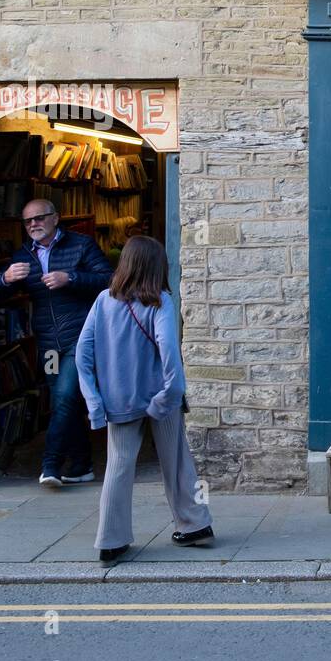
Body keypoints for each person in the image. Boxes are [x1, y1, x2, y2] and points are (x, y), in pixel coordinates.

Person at [76, 235, 214, 566]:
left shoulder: (102, 301)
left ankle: (111, 540)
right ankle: (194, 525)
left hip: (119, 401)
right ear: (157, 266)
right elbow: (170, 355)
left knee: (119, 467)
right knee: (177, 463)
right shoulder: (160, 301)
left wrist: (94, 403)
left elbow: (82, 355)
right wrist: (169, 395)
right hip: (160, 400)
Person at [0, 198, 114, 487]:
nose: (34, 224)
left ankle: (51, 464)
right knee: (63, 399)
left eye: (40, 218)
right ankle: (81, 465)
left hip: (79, 338)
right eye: (28, 221)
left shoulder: (81, 245)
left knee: (66, 396)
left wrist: (71, 277)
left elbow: (110, 279)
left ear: (55, 218)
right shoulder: (23, 254)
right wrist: (4, 279)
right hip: (48, 345)